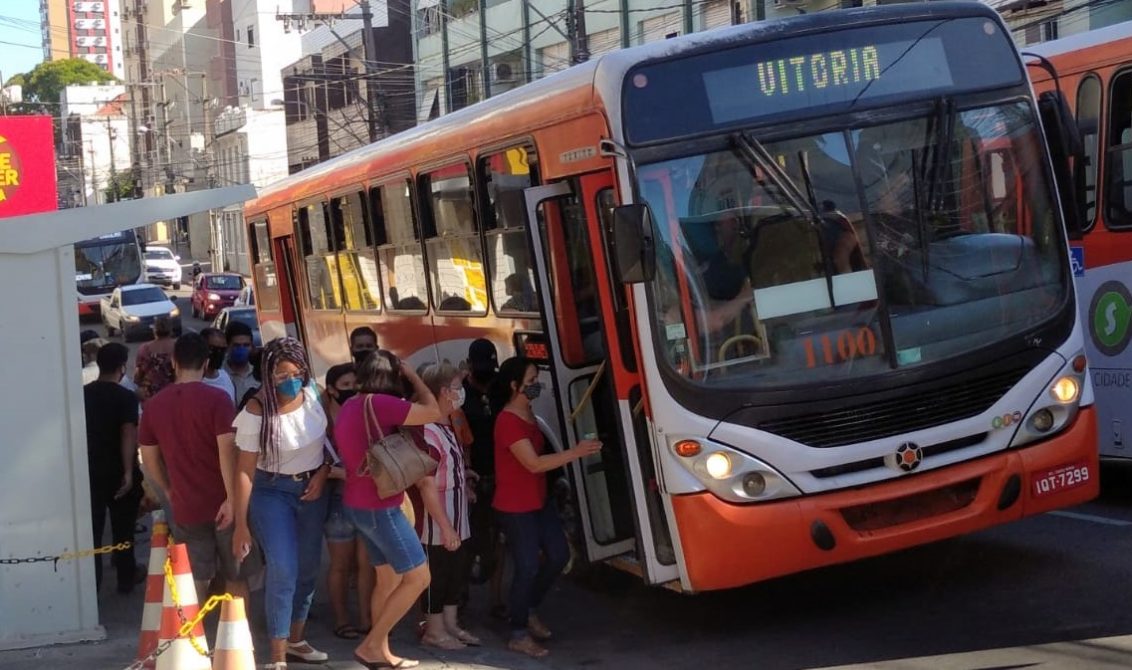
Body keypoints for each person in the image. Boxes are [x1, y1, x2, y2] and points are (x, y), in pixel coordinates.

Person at [335, 351, 441, 669]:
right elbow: (433, 411)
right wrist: (414, 377)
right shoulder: (382, 404)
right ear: (392, 376)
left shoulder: (350, 405)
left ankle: (381, 648)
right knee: (419, 577)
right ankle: (371, 646)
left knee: (388, 579)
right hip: (381, 507)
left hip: (356, 503)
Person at [490, 357, 601, 658]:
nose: (537, 384)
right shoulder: (508, 421)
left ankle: (527, 609)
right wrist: (575, 453)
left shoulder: (527, 411)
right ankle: (518, 631)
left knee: (559, 555)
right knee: (526, 566)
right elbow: (534, 463)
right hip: (516, 507)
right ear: (515, 385)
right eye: (531, 380)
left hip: (538, 501)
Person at [231, 338, 331, 667]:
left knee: (307, 570)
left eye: (296, 372)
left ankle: (296, 639)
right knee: (284, 570)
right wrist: (241, 525)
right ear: (267, 376)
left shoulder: (315, 394)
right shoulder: (255, 410)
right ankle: (277, 658)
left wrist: (323, 473)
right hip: (271, 492)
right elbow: (244, 472)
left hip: (312, 491)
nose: (291, 380)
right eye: (281, 376)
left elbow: (330, 444)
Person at [138, 333, 257, 603]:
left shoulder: (154, 406)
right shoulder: (217, 399)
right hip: (223, 503)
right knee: (236, 576)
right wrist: (230, 498)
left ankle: (193, 641)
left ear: (173, 362)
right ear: (205, 363)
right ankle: (240, 642)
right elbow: (227, 450)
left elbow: (149, 458)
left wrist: (168, 489)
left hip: (186, 506)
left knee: (193, 581)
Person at [413, 362, 480, 650]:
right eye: (456, 387)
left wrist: (464, 478)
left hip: (456, 510)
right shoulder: (427, 430)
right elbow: (426, 484)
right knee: (436, 573)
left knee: (455, 570)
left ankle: (451, 624)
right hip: (436, 517)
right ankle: (434, 629)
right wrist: (444, 526)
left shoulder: (447, 422)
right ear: (443, 391)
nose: (460, 392)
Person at [84, 342, 144, 593]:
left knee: (94, 532)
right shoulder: (126, 397)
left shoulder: (84, 394)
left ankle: (93, 584)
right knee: (123, 529)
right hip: (118, 472)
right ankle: (125, 578)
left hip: (90, 472)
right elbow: (128, 432)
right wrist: (129, 471)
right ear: (121, 367)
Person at [322, 363, 375, 641]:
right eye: (345, 386)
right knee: (340, 565)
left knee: (367, 563)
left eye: (356, 385)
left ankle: (367, 619)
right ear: (331, 390)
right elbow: (321, 466)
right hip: (338, 499)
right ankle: (342, 619)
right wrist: (346, 473)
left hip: (364, 497)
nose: (353, 391)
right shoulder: (323, 422)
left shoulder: (362, 414)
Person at [462, 340, 504, 613]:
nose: (485, 373)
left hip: (500, 475)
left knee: (498, 540)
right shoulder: (462, 395)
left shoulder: (502, 387)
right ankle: (461, 598)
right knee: (468, 541)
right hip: (473, 478)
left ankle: (497, 600)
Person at [134, 317, 176, 403]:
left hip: (150, 397)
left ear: (154, 330)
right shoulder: (178, 348)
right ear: (171, 330)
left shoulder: (145, 349)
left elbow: (138, 376)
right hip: (173, 395)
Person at [223, 321, 259, 403]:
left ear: (252, 346)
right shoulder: (220, 374)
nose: (242, 349)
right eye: (237, 345)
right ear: (228, 346)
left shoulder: (259, 374)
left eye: (246, 345)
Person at [201, 327, 237, 406]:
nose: (218, 353)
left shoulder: (227, 378)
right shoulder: (194, 380)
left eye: (222, 350)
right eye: (213, 349)